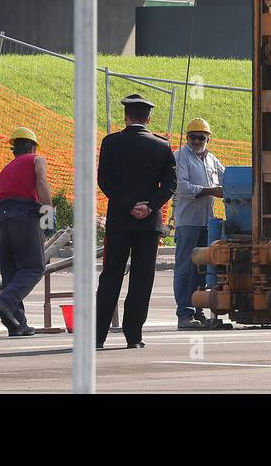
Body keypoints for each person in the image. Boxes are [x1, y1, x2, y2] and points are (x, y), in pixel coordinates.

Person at [95, 94, 176, 349]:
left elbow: (105, 180)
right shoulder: (162, 146)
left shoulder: (111, 143)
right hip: (148, 225)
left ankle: (98, 336)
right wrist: (149, 206)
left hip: (119, 221)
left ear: (125, 116)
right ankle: (134, 336)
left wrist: (129, 204)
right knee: (142, 280)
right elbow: (170, 185)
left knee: (110, 277)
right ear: (148, 118)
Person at [0, 127, 53, 338]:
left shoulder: (4, 171)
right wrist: (48, 215)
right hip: (24, 217)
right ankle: (5, 302)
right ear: (33, 147)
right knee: (34, 267)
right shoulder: (36, 160)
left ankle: (17, 324)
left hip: (2, 221)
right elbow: (42, 183)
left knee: (11, 273)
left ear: (13, 149)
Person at [172, 118, 224, 330]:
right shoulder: (180, 157)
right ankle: (184, 313)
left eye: (200, 137)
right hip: (188, 222)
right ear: (187, 137)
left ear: (208, 139)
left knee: (202, 268)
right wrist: (211, 191)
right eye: (192, 137)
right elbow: (182, 187)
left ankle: (198, 308)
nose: (196, 140)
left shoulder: (212, 160)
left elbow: (226, 178)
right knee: (185, 267)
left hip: (206, 223)